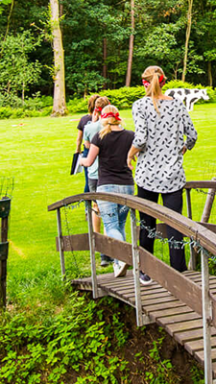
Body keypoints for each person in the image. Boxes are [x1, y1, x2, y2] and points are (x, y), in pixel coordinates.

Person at [129, 66, 198, 285]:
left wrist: (129, 155)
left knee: (147, 223)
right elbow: (193, 134)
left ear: (144, 82)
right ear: (164, 81)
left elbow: (140, 139)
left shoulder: (140, 105)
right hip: (173, 175)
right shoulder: (177, 105)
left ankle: (145, 271)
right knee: (175, 224)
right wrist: (184, 147)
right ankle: (178, 271)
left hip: (147, 175)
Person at [79, 104, 134, 278]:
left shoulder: (99, 137)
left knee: (110, 225)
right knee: (120, 225)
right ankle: (119, 263)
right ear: (118, 116)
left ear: (103, 117)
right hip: (127, 185)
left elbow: (89, 162)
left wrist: (80, 161)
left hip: (107, 186)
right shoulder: (131, 136)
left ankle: (123, 257)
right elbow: (136, 157)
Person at [77, 95, 111, 267]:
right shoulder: (119, 127)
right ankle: (110, 247)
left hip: (94, 172)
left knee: (96, 207)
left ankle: (98, 241)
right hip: (111, 173)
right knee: (111, 209)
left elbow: (87, 146)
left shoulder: (90, 127)